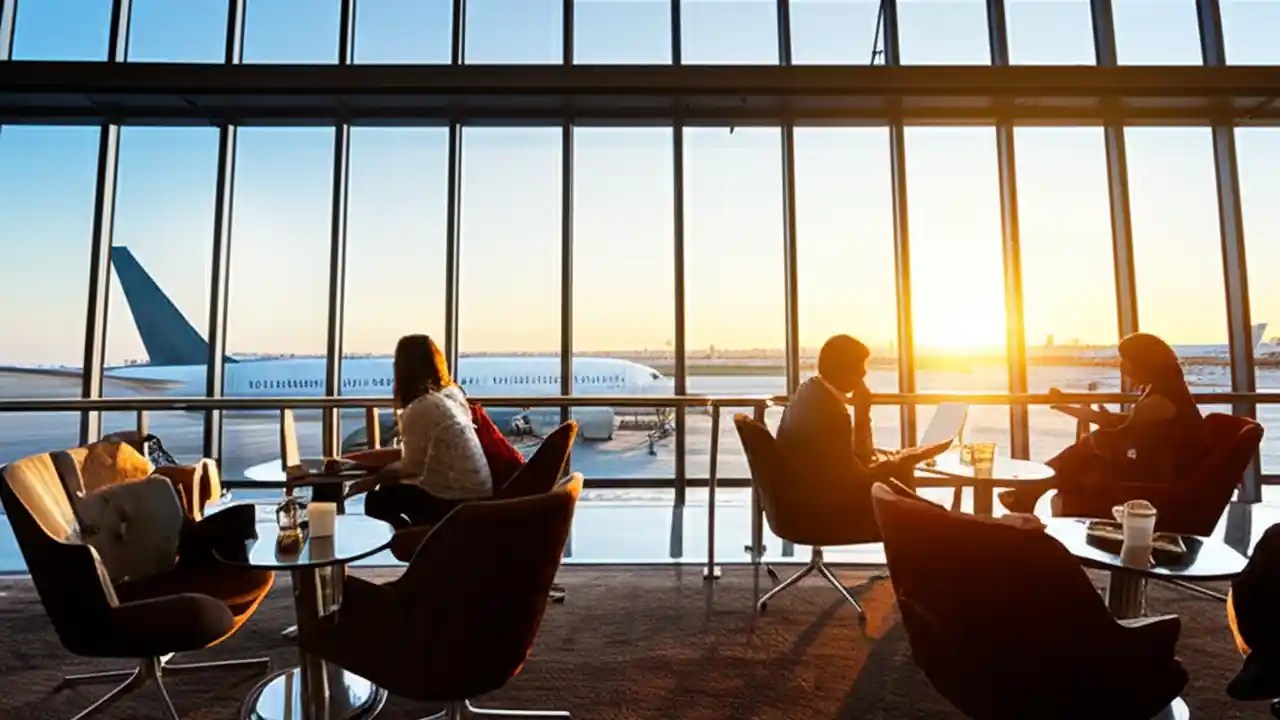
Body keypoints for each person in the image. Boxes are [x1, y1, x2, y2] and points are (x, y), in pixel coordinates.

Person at [999, 332, 1207, 514]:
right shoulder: (1165, 393)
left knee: (1085, 452)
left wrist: (1096, 434)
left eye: (1126, 361)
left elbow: (1123, 435)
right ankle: (1028, 492)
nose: (1123, 367)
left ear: (1143, 363)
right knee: (1084, 454)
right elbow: (1129, 425)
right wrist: (1075, 410)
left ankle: (1028, 491)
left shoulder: (1160, 401)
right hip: (1160, 466)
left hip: (1160, 475)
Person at [347, 335, 493, 528]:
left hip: (455, 500)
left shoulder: (420, 408)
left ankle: (415, 544)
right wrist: (366, 463)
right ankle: (415, 540)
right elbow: (419, 456)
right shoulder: (450, 397)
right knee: (391, 492)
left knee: (376, 501)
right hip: (478, 493)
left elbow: (410, 466)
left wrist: (370, 481)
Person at [777, 335, 951, 492]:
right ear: (843, 368)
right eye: (859, 365)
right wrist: (862, 411)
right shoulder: (832, 413)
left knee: (900, 463)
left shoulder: (808, 391)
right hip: (826, 502)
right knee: (900, 471)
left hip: (804, 491)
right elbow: (859, 467)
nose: (864, 373)